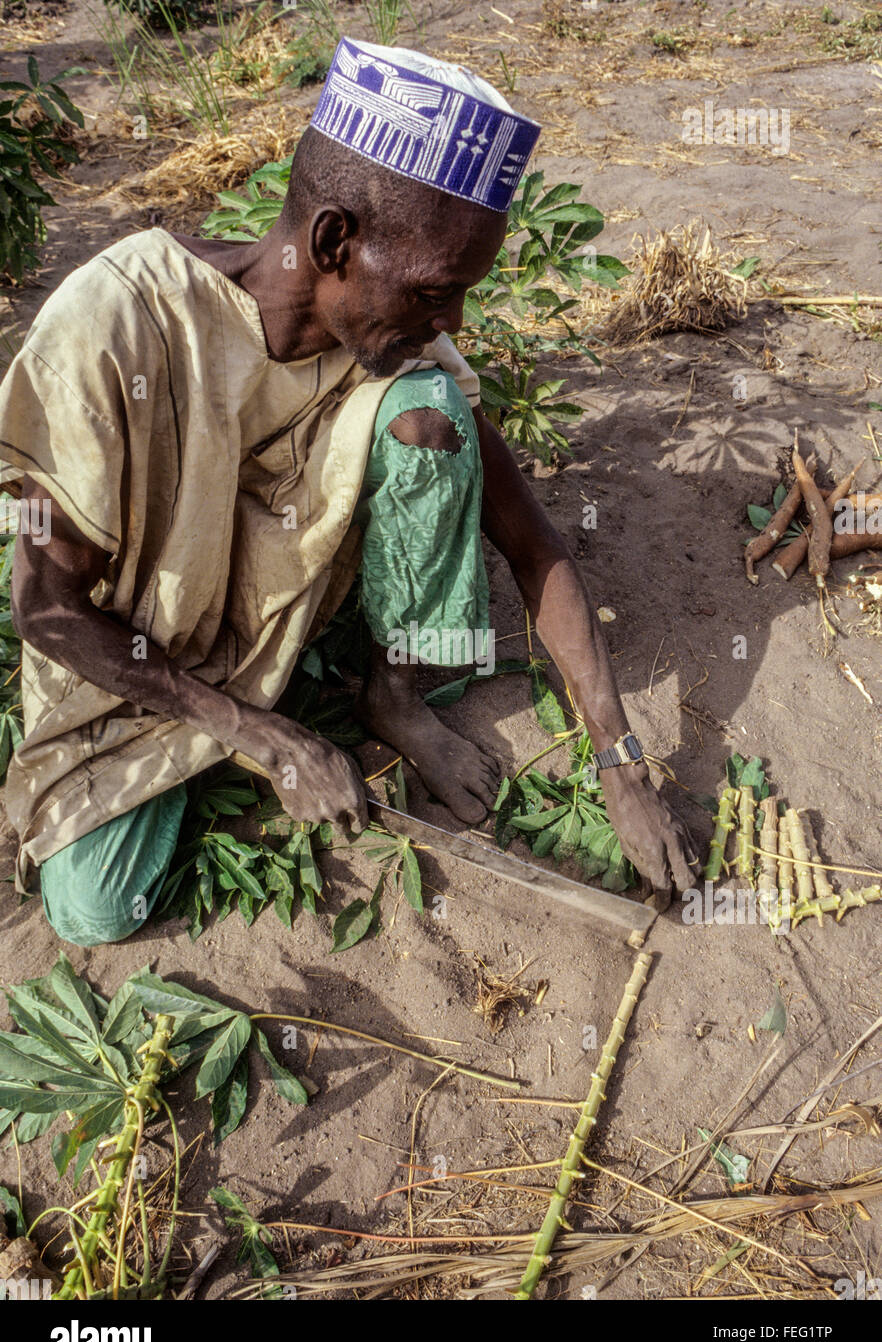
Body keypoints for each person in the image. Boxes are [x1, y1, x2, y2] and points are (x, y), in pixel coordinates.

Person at [0, 37, 699, 946]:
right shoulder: (121, 324)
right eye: (435, 294)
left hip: (279, 608)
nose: (451, 323)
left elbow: (532, 543)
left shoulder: (396, 348)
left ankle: (392, 693)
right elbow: (47, 612)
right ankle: (244, 714)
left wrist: (622, 758)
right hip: (150, 642)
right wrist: (263, 736)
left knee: (431, 414)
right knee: (91, 909)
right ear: (334, 241)